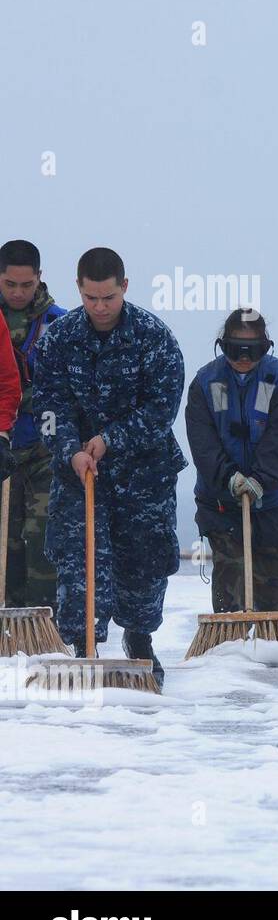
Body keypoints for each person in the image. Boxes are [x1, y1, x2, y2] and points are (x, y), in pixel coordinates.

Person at [34, 247, 185, 688]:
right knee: (79, 562)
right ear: (78, 290)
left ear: (124, 288)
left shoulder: (154, 337)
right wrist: (69, 450)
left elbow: (161, 408)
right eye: (91, 298)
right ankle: (82, 649)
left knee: (145, 563)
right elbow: (48, 407)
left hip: (144, 474)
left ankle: (139, 641)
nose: (100, 307)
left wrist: (111, 439)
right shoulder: (57, 341)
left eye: (109, 297)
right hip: (79, 474)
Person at [185, 309, 278, 613]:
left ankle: (276, 649)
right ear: (221, 345)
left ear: (266, 347)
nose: (243, 358)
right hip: (222, 504)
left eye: (252, 351)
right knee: (231, 588)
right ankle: (230, 652)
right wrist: (228, 477)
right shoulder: (205, 383)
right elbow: (203, 443)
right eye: (234, 350)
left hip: (277, 505)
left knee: (275, 597)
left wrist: (260, 480)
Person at [0, 239, 60, 608]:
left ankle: (44, 627)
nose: (19, 292)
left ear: (39, 278)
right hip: (2, 446)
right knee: (6, 542)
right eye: (10, 284)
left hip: (45, 450)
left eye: (27, 284)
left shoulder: (60, 324)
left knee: (42, 540)